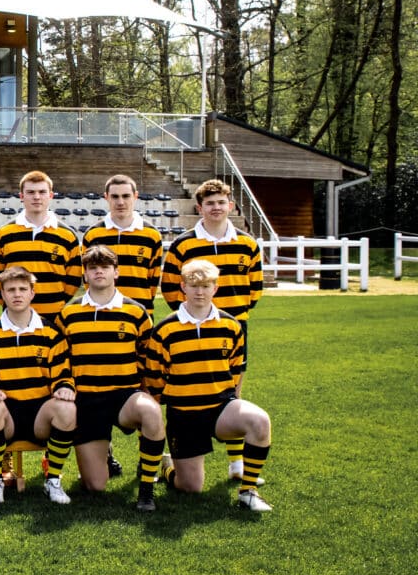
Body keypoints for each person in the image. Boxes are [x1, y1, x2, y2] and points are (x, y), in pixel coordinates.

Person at [145, 259, 273, 511]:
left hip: (219, 410)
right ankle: (169, 466)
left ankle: (248, 492)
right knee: (190, 487)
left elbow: (235, 371)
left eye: (206, 285)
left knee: (260, 421)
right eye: (194, 285)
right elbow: (154, 380)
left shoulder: (231, 326)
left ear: (216, 287)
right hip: (184, 416)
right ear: (183, 287)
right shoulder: (164, 329)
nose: (200, 292)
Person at [160, 178, 264, 481]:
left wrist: (229, 317)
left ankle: (237, 464)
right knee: (189, 390)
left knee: (232, 393)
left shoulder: (247, 243)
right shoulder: (184, 244)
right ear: (199, 207)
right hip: (191, 328)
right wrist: (196, 316)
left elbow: (255, 289)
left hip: (233, 329)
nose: (216, 208)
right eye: (210, 203)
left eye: (221, 202)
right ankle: (173, 455)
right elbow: (170, 289)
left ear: (230, 206)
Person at [54, 246, 164, 511]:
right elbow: (59, 360)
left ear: (116, 272)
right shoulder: (68, 314)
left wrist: (142, 390)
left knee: (150, 412)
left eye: (104, 267)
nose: (99, 271)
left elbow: (146, 357)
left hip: (123, 396)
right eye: (93, 268)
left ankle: (147, 489)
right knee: (95, 486)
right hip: (86, 401)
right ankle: (104, 459)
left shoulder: (137, 312)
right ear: (85, 275)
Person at [0, 266, 77, 505]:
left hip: (39, 415)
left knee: (66, 407)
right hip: (7, 414)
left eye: (23, 289)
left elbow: (62, 372)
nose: (17, 294)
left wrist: (65, 386)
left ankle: (53, 480)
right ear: (1, 294)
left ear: (33, 293)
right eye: (11, 289)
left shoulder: (51, 333)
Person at [0, 170, 82, 323]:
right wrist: (11, 305)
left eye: (42, 192)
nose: (37, 197)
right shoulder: (3, 234)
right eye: (31, 192)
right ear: (21, 196)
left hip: (54, 317)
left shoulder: (67, 235)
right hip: (14, 318)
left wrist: (56, 302)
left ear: (51, 195)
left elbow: (73, 280)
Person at [81, 174, 163, 312]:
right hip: (102, 312)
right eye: (115, 196)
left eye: (126, 196)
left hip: (140, 313)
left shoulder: (152, 235)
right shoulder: (93, 235)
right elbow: (88, 277)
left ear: (135, 196)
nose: (120, 202)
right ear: (106, 197)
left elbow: (153, 281)